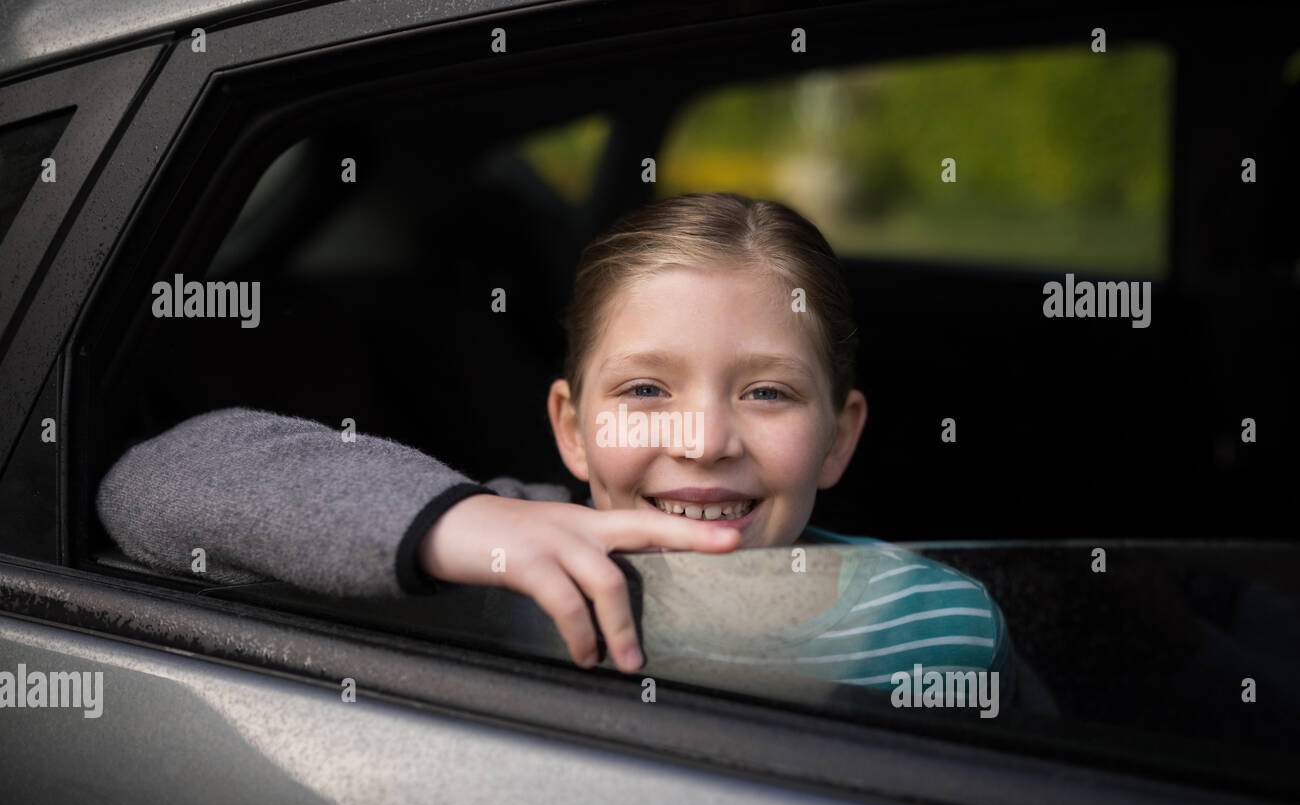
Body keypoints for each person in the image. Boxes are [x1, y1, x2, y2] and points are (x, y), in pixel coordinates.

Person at [97, 192, 1010, 697]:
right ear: (572, 429)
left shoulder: (939, 619)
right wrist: (456, 527)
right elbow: (149, 486)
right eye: (646, 390)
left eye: (766, 392)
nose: (702, 441)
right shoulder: (496, 559)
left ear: (839, 438)